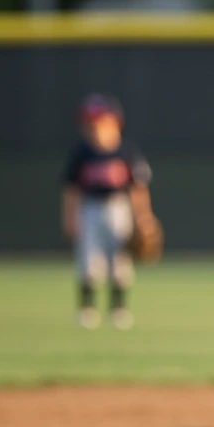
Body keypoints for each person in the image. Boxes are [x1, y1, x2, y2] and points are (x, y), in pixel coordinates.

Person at [62, 94, 154, 330]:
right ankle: (87, 309)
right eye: (88, 124)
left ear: (115, 122)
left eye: (98, 122)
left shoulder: (126, 150)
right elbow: (71, 190)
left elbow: (138, 189)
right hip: (89, 208)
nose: (92, 128)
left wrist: (143, 218)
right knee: (89, 263)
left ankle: (119, 309)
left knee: (120, 262)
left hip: (119, 208)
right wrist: (70, 217)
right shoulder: (81, 152)